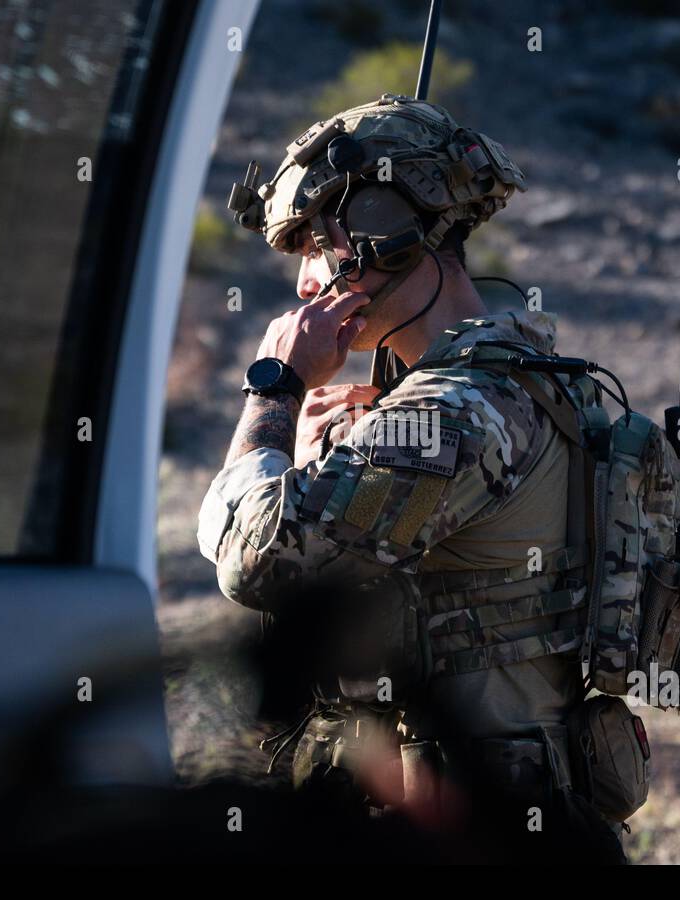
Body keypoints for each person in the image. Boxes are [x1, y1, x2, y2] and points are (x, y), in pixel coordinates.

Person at [197, 94, 625, 858]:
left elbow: (253, 556)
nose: (304, 285)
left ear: (381, 233)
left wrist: (275, 386)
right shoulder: (531, 377)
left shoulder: (451, 412)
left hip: (465, 822)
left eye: (312, 246)